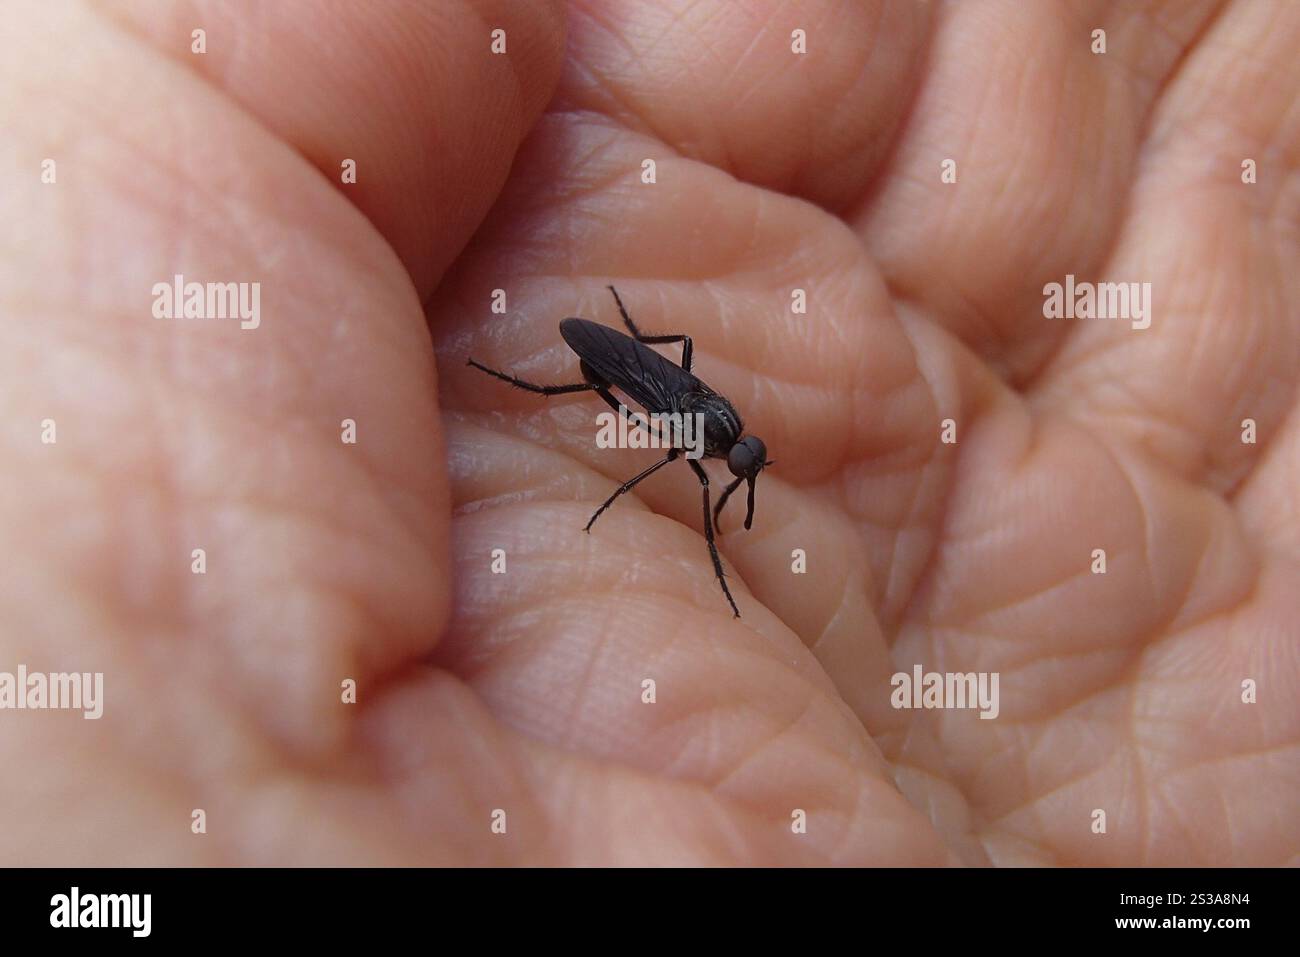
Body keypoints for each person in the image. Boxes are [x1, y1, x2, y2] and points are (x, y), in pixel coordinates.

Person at [2, 0, 1295, 866]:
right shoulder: (719, 435)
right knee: (598, 396)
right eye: (739, 471)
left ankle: (570, 385)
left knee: (627, 403)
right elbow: (680, 405)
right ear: (736, 451)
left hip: (653, 371)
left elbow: (702, 426)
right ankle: (545, 378)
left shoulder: (728, 440)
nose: (743, 476)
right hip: (623, 362)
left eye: (737, 473)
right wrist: (643, 414)